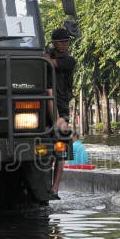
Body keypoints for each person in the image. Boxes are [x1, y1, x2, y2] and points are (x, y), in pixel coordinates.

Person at [45, 27, 76, 196]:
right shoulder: (48, 54)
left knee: (60, 150)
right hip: (44, 106)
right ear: (55, 44)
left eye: (66, 42)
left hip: (62, 105)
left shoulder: (68, 60)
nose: (65, 45)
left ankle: (55, 188)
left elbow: (49, 63)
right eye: (62, 42)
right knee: (48, 148)